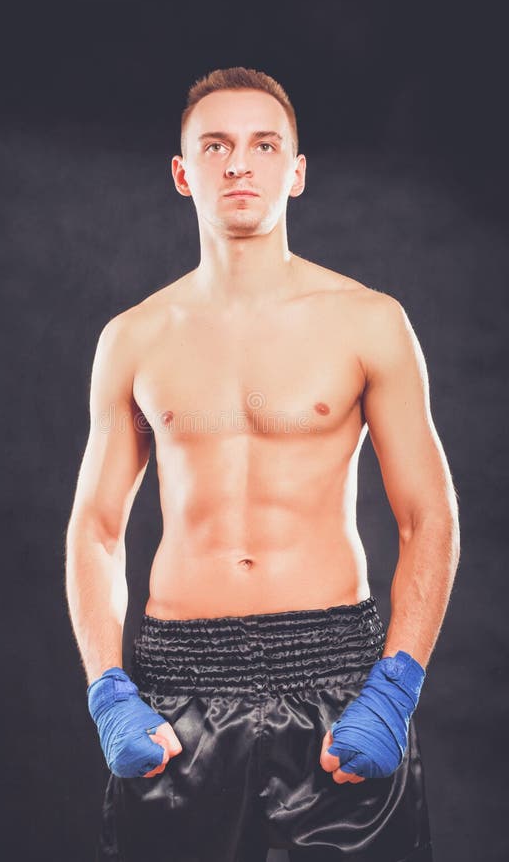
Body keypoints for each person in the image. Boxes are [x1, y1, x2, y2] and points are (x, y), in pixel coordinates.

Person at [65, 66, 460, 862]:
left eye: (264, 145)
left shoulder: (369, 322)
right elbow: (97, 528)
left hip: (336, 681)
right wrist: (108, 688)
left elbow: (429, 517)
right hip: (179, 693)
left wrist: (397, 685)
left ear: (296, 171)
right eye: (215, 146)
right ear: (183, 173)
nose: (239, 164)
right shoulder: (134, 338)